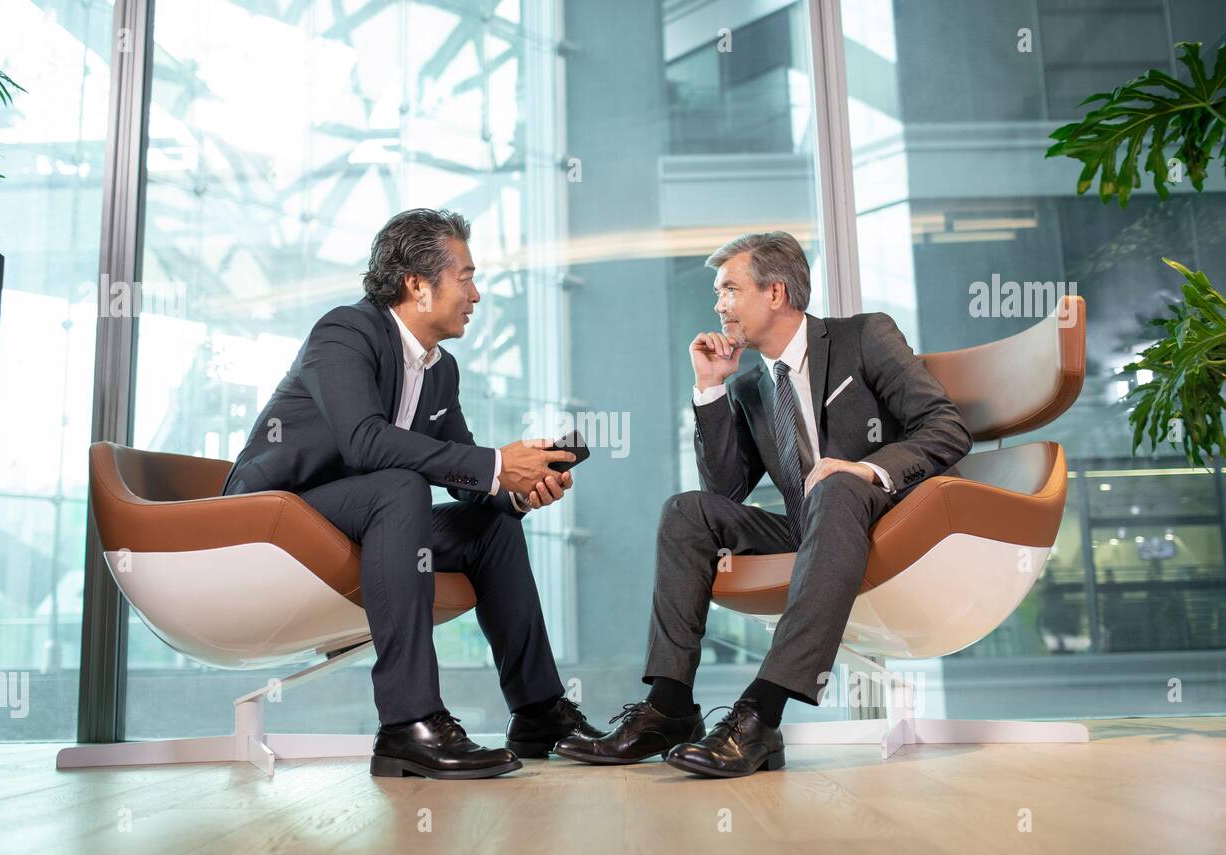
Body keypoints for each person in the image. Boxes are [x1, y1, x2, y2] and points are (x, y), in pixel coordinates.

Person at [555, 231, 973, 778]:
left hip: (887, 520)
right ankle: (670, 707)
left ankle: (761, 713)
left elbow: (946, 428)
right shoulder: (755, 386)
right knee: (687, 511)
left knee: (836, 486)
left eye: (729, 289)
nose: (718, 303)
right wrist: (710, 389)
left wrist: (863, 469)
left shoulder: (866, 336)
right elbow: (724, 492)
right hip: (811, 530)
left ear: (775, 293)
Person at [222, 208, 602, 779]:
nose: (476, 294)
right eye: (466, 277)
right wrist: (498, 463)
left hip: (364, 520)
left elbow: (465, 477)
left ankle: (538, 710)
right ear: (417, 285)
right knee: (398, 486)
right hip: (279, 521)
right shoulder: (345, 331)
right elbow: (363, 442)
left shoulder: (439, 370)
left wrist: (520, 486)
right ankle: (407, 724)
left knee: (491, 527)